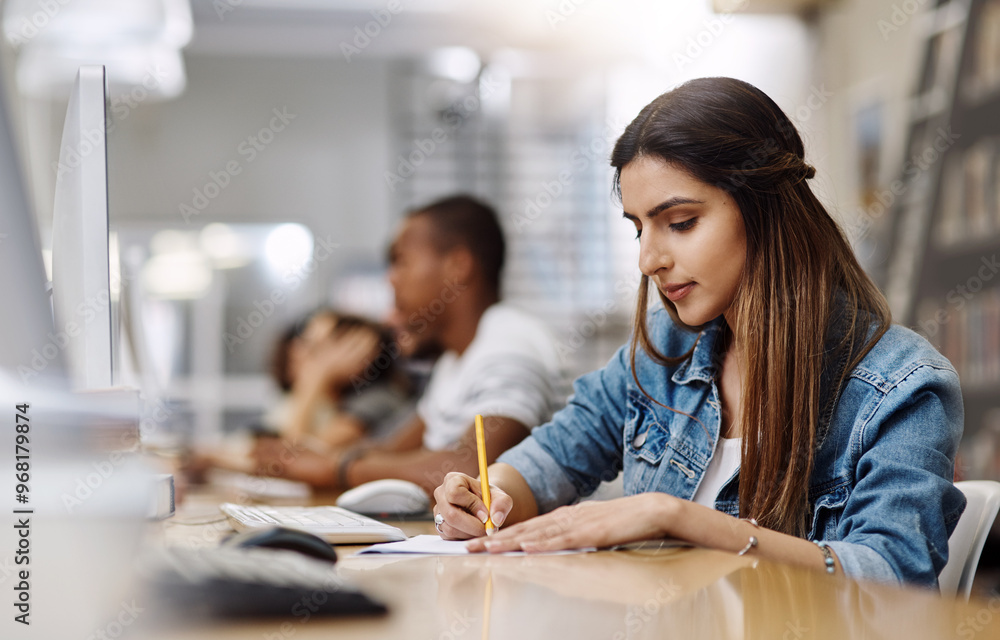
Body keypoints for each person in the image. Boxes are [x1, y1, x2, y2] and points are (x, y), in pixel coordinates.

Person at [432, 77, 965, 588]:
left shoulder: (901, 386)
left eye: (680, 222)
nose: (648, 259)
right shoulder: (661, 353)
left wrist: (680, 519)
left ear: (764, 211)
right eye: (639, 228)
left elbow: (891, 579)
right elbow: (547, 461)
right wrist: (486, 494)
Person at [254, 195, 568, 493]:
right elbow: (391, 451)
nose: (389, 279)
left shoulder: (510, 339)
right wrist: (302, 458)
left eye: (401, 262)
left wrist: (336, 468)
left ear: (458, 266)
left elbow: (472, 469)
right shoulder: (454, 363)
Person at [265, 309, 415, 449]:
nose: (297, 350)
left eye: (315, 348)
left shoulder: (380, 399)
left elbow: (294, 456)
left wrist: (317, 378)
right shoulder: (330, 402)